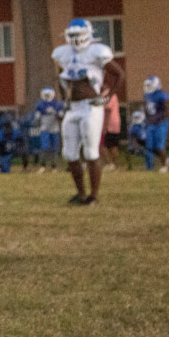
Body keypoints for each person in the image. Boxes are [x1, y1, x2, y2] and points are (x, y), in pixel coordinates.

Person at [52, 18, 123, 205]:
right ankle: (81, 193)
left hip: (91, 106)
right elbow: (62, 78)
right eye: (72, 35)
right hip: (73, 108)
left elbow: (119, 74)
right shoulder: (63, 54)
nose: (75, 39)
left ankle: (94, 196)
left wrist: (108, 96)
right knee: (70, 153)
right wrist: (64, 98)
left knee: (91, 152)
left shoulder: (96, 52)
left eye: (79, 35)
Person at [142, 76, 169, 172]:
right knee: (149, 146)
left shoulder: (162, 95)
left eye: (149, 85)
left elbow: (166, 110)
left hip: (160, 123)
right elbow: (148, 109)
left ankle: (163, 165)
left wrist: (159, 120)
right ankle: (150, 167)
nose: (147, 87)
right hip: (151, 123)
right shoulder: (147, 95)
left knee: (159, 146)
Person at [33, 87, 63, 172]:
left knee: (55, 148)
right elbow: (37, 117)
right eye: (45, 95)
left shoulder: (56, 104)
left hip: (54, 128)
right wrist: (37, 118)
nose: (47, 96)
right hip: (45, 127)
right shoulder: (40, 104)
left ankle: (54, 166)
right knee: (44, 147)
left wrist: (58, 113)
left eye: (48, 95)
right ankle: (42, 165)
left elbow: (61, 115)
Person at [101, 91, 121, 171]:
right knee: (114, 145)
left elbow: (107, 110)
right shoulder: (114, 95)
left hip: (109, 122)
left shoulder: (106, 95)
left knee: (103, 145)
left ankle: (110, 164)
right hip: (116, 123)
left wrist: (105, 125)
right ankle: (115, 165)